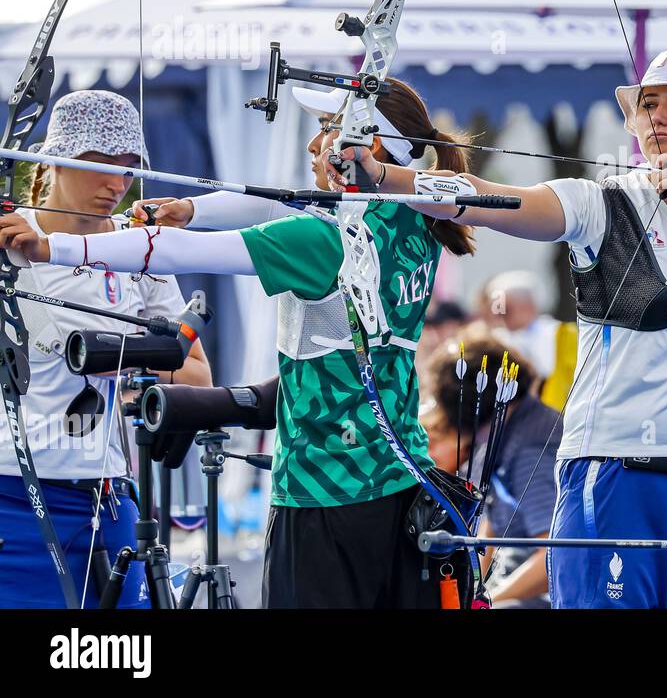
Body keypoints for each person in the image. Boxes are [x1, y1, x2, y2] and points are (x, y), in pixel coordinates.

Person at [327, 46, 667, 608]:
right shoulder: (600, 204)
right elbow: (492, 201)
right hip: (618, 469)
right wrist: (385, 176)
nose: (656, 116)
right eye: (648, 104)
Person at [0, 79, 476, 608]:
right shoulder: (417, 221)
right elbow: (271, 203)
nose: (313, 146)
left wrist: (49, 246)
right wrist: (191, 208)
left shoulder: (324, 239)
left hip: (326, 490)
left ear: (368, 149)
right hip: (402, 478)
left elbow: (178, 253)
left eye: (326, 132)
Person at [0, 91, 211, 608]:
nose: (116, 184)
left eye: (128, 167)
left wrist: (119, 354)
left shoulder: (139, 246)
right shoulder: (9, 237)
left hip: (108, 496)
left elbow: (197, 378)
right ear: (52, 160)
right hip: (13, 496)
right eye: (97, 163)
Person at [423, 323, 559, 607]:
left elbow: (554, 557)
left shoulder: (530, 448)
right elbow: (489, 532)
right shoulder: (507, 433)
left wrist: (487, 601)